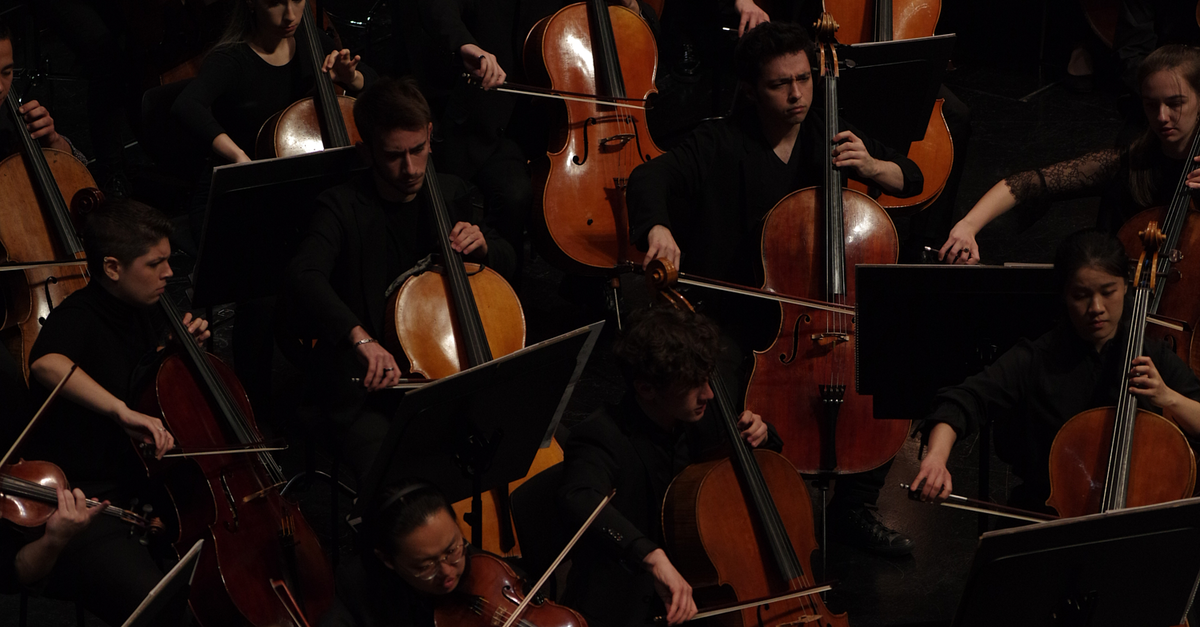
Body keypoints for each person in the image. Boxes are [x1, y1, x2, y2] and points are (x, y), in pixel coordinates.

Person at [625, 20, 922, 556]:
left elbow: (914, 179)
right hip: (737, 316)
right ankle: (751, 506)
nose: (796, 95)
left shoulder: (829, 133)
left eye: (805, 80)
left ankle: (855, 504)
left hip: (820, 311)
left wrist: (875, 165)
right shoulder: (718, 141)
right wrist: (659, 227)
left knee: (895, 368)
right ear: (749, 89)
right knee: (714, 401)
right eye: (779, 84)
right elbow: (650, 179)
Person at [282, 77, 516, 483]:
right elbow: (304, 274)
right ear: (366, 150)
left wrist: (485, 249)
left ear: (430, 135)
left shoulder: (450, 192)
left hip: (450, 373)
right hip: (370, 392)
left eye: (418, 150)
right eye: (393, 156)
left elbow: (507, 261)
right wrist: (362, 340)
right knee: (401, 479)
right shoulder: (341, 207)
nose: (410, 169)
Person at [7, 198, 208, 626]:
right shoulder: (78, 315)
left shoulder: (149, 311)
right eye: (155, 264)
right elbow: (46, 364)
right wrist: (120, 411)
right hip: (77, 503)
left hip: (144, 484)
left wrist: (179, 351)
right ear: (113, 268)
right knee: (164, 607)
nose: (169, 273)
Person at [911, 229, 1200, 512]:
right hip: (1050, 513)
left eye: (1108, 291)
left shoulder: (1152, 356)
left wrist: (1168, 397)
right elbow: (963, 400)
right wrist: (936, 458)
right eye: (1081, 295)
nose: (1096, 307)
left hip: (1139, 517)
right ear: (1063, 295)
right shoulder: (1036, 358)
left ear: (1126, 286)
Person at [557, 306, 776, 627]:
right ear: (646, 388)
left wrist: (764, 433)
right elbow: (577, 497)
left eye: (707, 379)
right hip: (625, 607)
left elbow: (769, 458)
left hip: (703, 591)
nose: (709, 393)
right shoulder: (601, 435)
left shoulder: (704, 414)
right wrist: (650, 555)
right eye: (693, 385)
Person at [939, 44, 1200, 264]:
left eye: (1175, 103)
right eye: (1151, 105)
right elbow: (1027, 183)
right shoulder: (1130, 161)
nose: (1162, 117)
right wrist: (968, 225)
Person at [319, 481, 471, 626]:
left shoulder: (484, 567)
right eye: (426, 566)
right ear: (388, 560)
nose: (447, 571)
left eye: (451, 551)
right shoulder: (357, 587)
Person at [0, 20, 86, 163]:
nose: (1, 88)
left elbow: (80, 165)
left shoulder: (10, 114)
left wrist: (54, 141)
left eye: (6, 72)